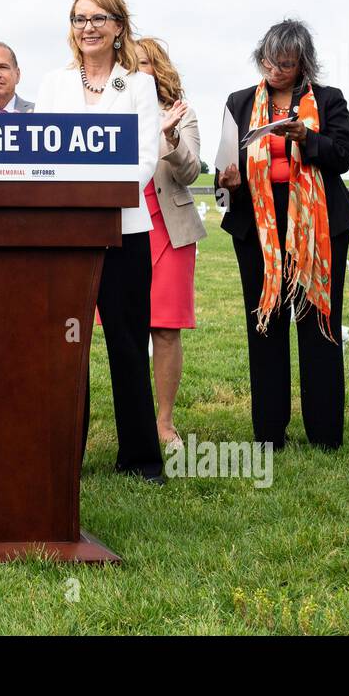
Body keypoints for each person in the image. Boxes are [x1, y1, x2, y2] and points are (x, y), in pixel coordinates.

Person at [36, 0, 163, 480]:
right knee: (68, 348)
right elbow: (40, 157)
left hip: (123, 230)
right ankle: (65, 453)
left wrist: (97, 197)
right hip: (64, 236)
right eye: (78, 19)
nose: (87, 28)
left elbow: (145, 158)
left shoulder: (138, 87)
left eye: (97, 19)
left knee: (128, 345)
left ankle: (141, 457)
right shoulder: (53, 85)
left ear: (118, 27)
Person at [218, 19, 349, 451]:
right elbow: (223, 165)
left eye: (285, 64)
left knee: (318, 322)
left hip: (317, 227)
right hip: (256, 225)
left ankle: (324, 433)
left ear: (302, 65)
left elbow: (345, 155)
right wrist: (228, 179)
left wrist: (308, 138)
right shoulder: (239, 102)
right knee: (265, 326)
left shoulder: (329, 101)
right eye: (268, 61)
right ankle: (269, 433)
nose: (274, 70)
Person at [136, 37, 205, 447]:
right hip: (123, 227)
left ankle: (164, 422)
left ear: (158, 68)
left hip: (169, 230)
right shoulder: (110, 111)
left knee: (165, 329)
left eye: (142, 62)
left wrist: (172, 137)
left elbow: (192, 172)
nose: (134, 68)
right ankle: (134, 418)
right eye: (128, 61)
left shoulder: (182, 113)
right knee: (123, 330)